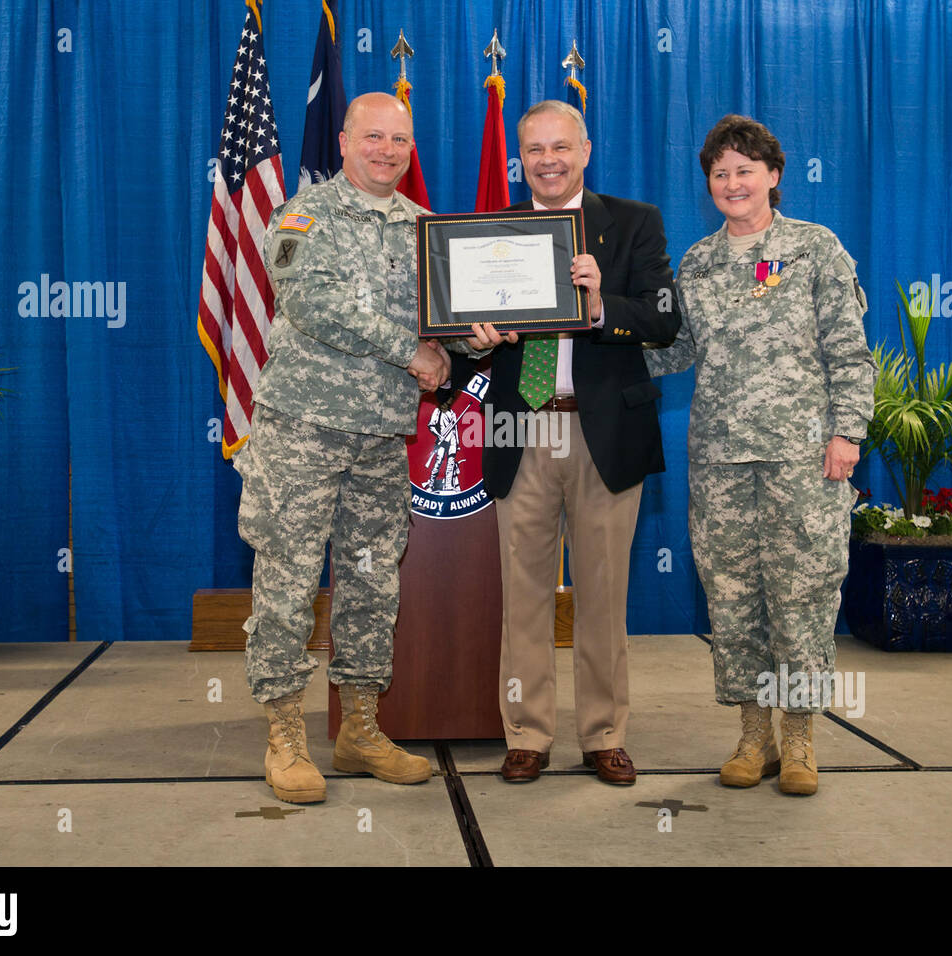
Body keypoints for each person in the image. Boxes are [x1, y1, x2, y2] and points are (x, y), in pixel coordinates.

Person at [239, 92, 485, 804]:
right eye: (372, 136)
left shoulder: (427, 229)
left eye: (399, 139)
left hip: (382, 437)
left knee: (374, 582)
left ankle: (360, 728)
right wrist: (413, 352)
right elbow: (311, 304)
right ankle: (285, 734)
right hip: (302, 430)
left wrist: (486, 331)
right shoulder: (305, 215)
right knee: (287, 582)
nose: (387, 149)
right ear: (344, 142)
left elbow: (454, 321)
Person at [646, 115, 876, 796]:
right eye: (720, 172)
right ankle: (754, 736)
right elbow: (676, 352)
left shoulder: (815, 249)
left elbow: (848, 349)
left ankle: (800, 741)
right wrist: (596, 322)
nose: (733, 182)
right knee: (734, 600)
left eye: (746, 169)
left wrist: (848, 433)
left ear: (774, 176)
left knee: (801, 597)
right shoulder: (697, 262)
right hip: (720, 464)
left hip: (804, 461)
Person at [463, 100, 680, 785]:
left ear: (586, 149)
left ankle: (603, 734)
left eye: (562, 146)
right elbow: (460, 336)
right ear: (517, 159)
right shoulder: (492, 233)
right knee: (521, 596)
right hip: (519, 426)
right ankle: (526, 733)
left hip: (602, 431)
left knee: (603, 594)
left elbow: (664, 319)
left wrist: (600, 308)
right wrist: (472, 341)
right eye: (535, 150)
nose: (549, 160)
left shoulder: (634, 222)